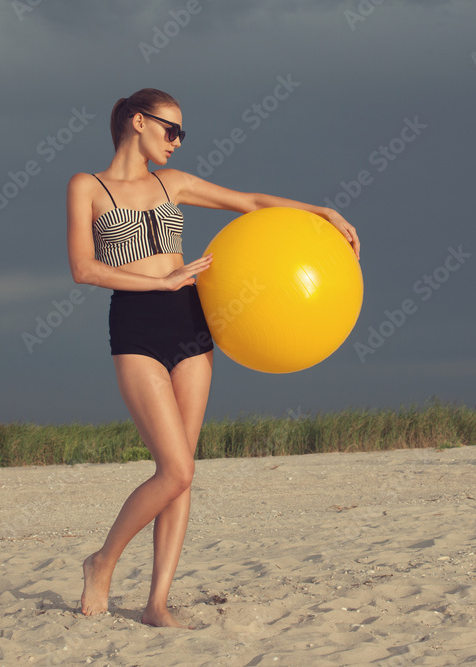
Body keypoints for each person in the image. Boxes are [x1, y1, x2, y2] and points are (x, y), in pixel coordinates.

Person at [66, 88, 360, 628]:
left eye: (181, 133)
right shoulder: (88, 186)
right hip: (135, 325)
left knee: (184, 472)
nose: (177, 141)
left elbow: (248, 202)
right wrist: (159, 281)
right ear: (138, 122)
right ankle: (101, 562)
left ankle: (157, 602)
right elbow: (84, 269)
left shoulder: (170, 184)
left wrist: (320, 211)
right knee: (173, 470)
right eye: (170, 129)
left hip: (190, 323)